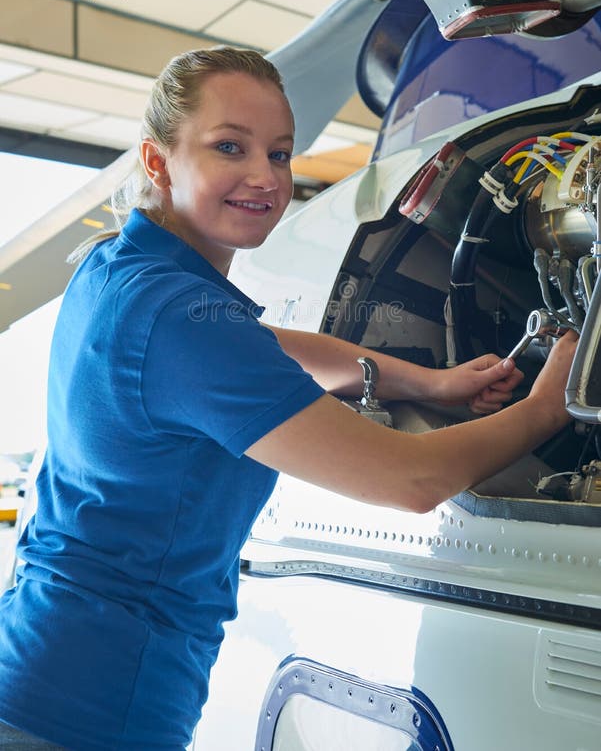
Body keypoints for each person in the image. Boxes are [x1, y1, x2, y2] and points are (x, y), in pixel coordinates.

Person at [0, 48, 577, 751]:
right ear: (156, 162)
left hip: (38, 662)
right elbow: (409, 479)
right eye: (228, 148)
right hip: (88, 705)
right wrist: (549, 405)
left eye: (278, 153)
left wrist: (427, 383)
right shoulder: (184, 322)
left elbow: (261, 343)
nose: (264, 178)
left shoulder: (122, 271)